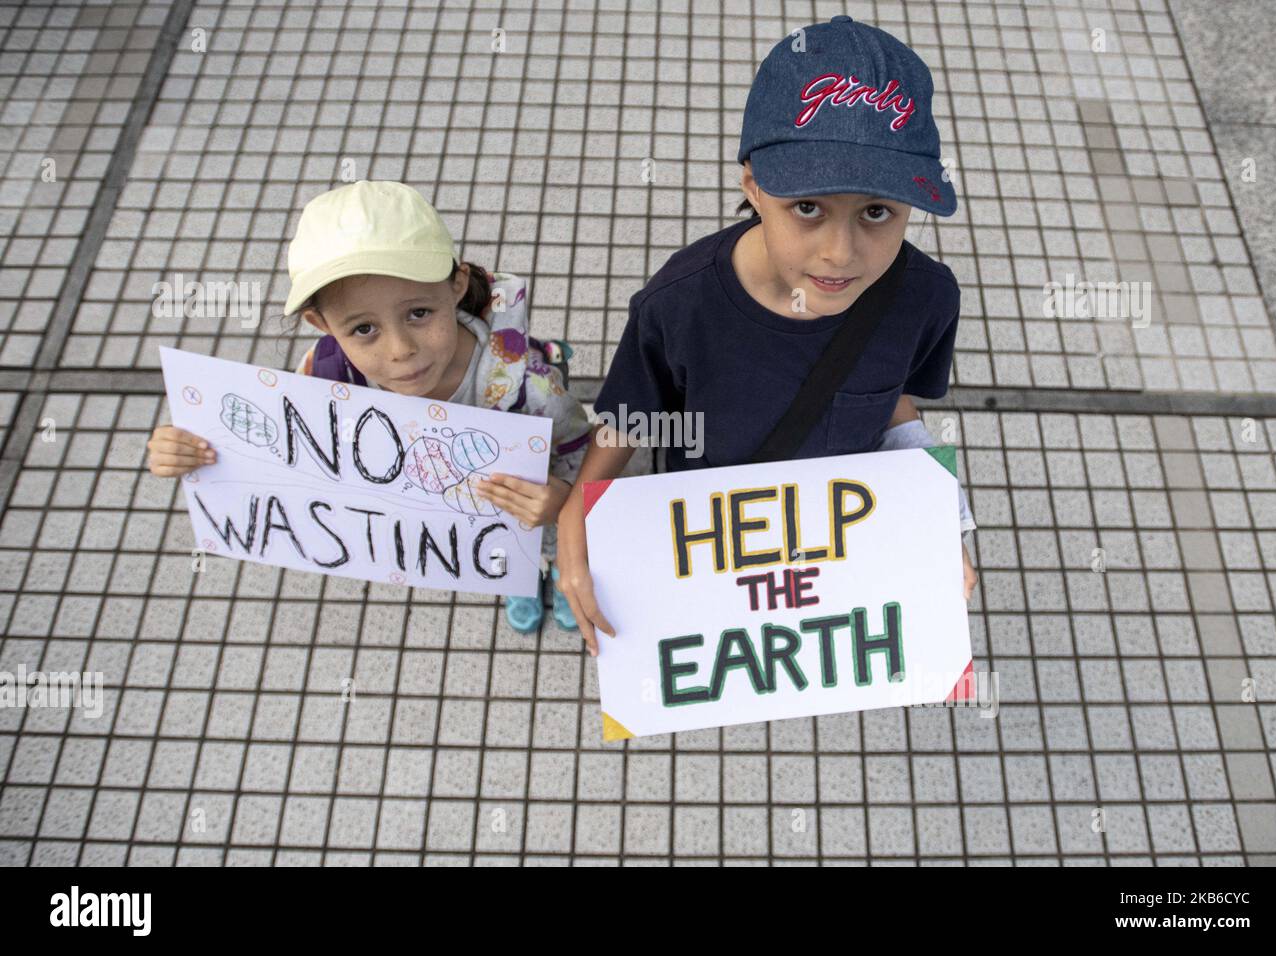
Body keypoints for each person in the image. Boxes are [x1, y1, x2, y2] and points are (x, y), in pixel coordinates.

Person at [556, 16, 977, 656]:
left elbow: (893, 400)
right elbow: (633, 416)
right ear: (753, 185)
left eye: (877, 212)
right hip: (710, 522)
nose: (840, 253)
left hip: (831, 534)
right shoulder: (680, 302)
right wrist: (576, 514)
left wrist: (938, 522)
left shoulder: (926, 297)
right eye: (808, 207)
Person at [146, 180, 593, 632]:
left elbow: (579, 450)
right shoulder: (321, 377)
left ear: (457, 285)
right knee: (504, 549)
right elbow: (275, 444)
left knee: (548, 536)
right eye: (363, 329)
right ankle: (514, 573)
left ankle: (559, 565)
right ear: (320, 323)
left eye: (419, 313)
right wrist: (194, 448)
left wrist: (566, 506)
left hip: (536, 507)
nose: (400, 350)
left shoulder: (529, 386)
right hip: (474, 525)